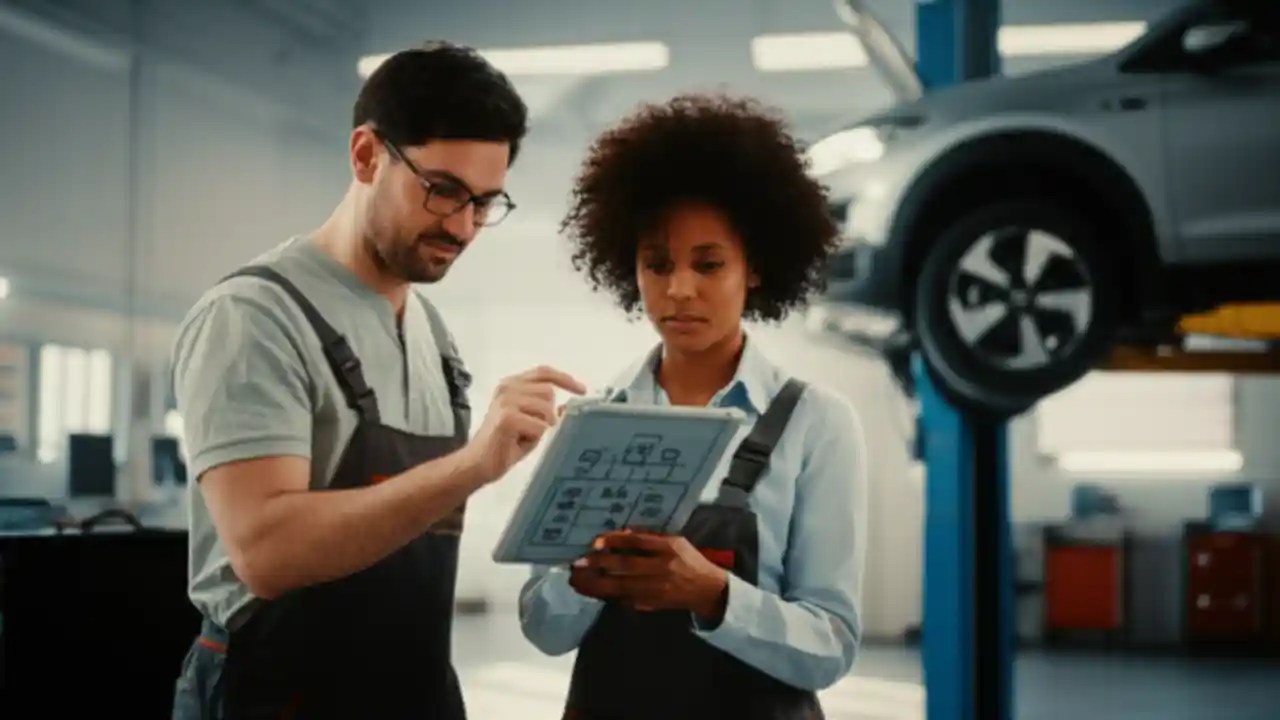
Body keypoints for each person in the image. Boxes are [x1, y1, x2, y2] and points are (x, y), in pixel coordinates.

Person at [169, 42, 585, 719]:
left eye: (484, 202)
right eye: (442, 191)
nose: (462, 226)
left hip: (411, 686)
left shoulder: (432, 332)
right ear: (365, 155)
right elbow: (266, 553)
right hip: (277, 696)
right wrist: (474, 465)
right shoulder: (256, 317)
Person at [519, 93, 868, 719]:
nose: (679, 290)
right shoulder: (592, 422)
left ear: (755, 267)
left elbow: (832, 646)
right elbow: (544, 630)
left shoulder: (819, 423)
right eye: (657, 265)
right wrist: (580, 582)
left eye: (709, 264)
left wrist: (712, 595)